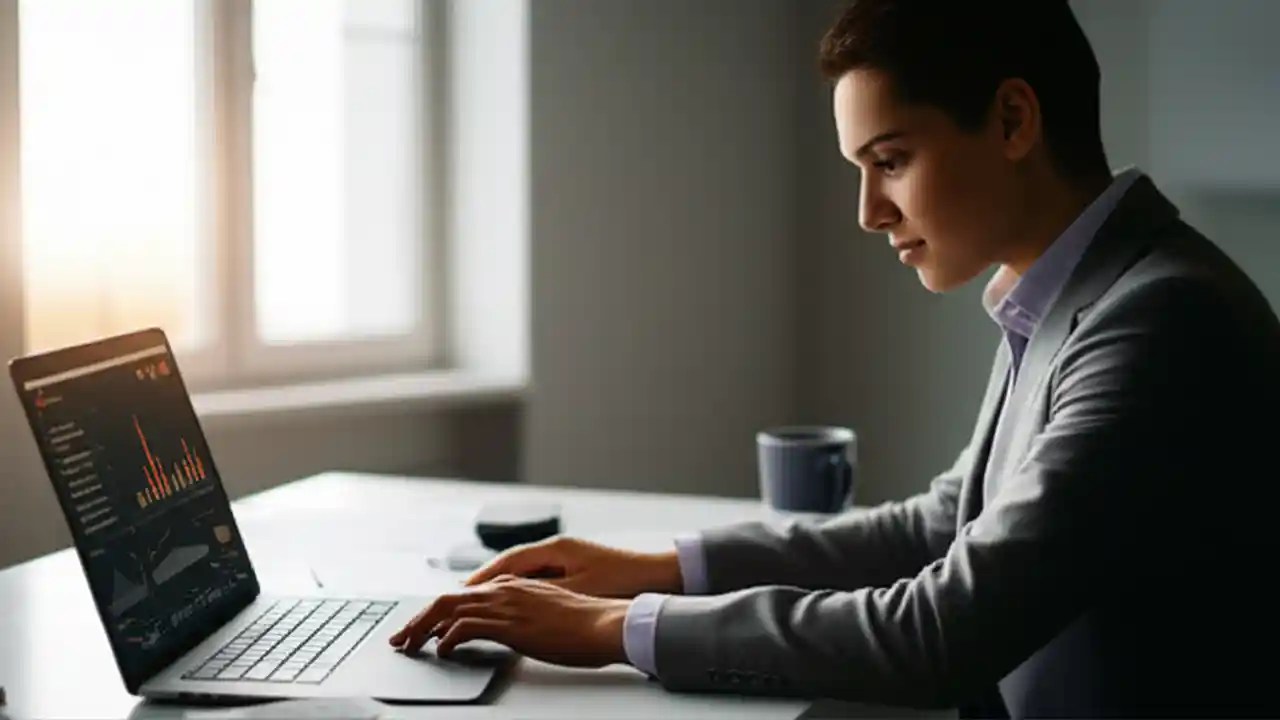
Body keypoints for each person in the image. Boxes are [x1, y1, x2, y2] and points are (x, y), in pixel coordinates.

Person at [390, 0, 1280, 716]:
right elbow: (940, 528)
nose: (869, 211)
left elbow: (943, 631)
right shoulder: (1079, 291)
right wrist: (656, 568)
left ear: (1013, 118)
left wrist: (619, 628)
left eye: (889, 161)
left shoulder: (1161, 319)